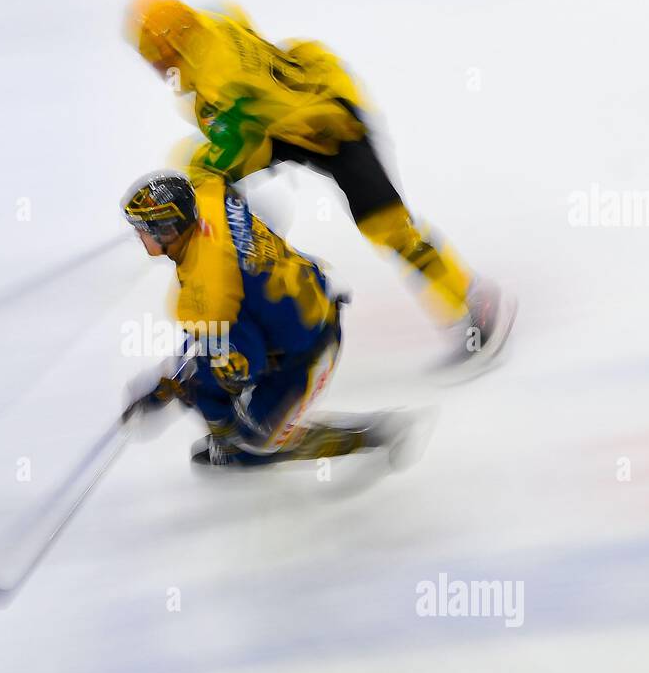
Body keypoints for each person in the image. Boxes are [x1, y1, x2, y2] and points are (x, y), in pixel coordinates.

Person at [124, 0, 516, 370]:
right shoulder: (211, 24)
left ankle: (474, 299)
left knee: (390, 229)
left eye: (159, 58)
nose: (157, 69)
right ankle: (236, 226)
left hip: (333, 128)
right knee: (201, 170)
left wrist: (206, 184)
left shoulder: (219, 78)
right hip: (287, 120)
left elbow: (237, 137)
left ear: (176, 43)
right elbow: (235, 17)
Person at [120, 168, 428, 469]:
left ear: (169, 230)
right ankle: (239, 440)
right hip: (306, 301)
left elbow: (240, 370)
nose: (138, 235)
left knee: (260, 438)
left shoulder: (209, 290)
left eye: (143, 228)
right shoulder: (209, 195)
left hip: (310, 345)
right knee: (220, 377)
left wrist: (182, 392)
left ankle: (377, 433)